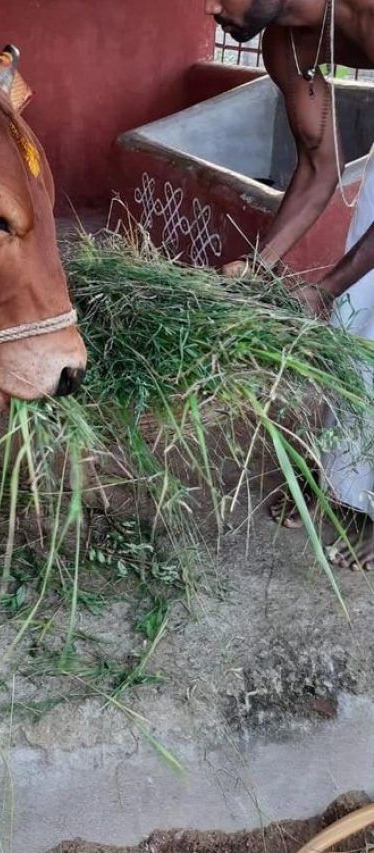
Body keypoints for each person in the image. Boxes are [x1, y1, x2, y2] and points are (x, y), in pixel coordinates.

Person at [204, 0, 374, 568]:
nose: (211, 7)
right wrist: (260, 266)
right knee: (359, 324)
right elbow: (318, 169)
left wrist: (324, 287)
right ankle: (347, 485)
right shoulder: (286, 44)